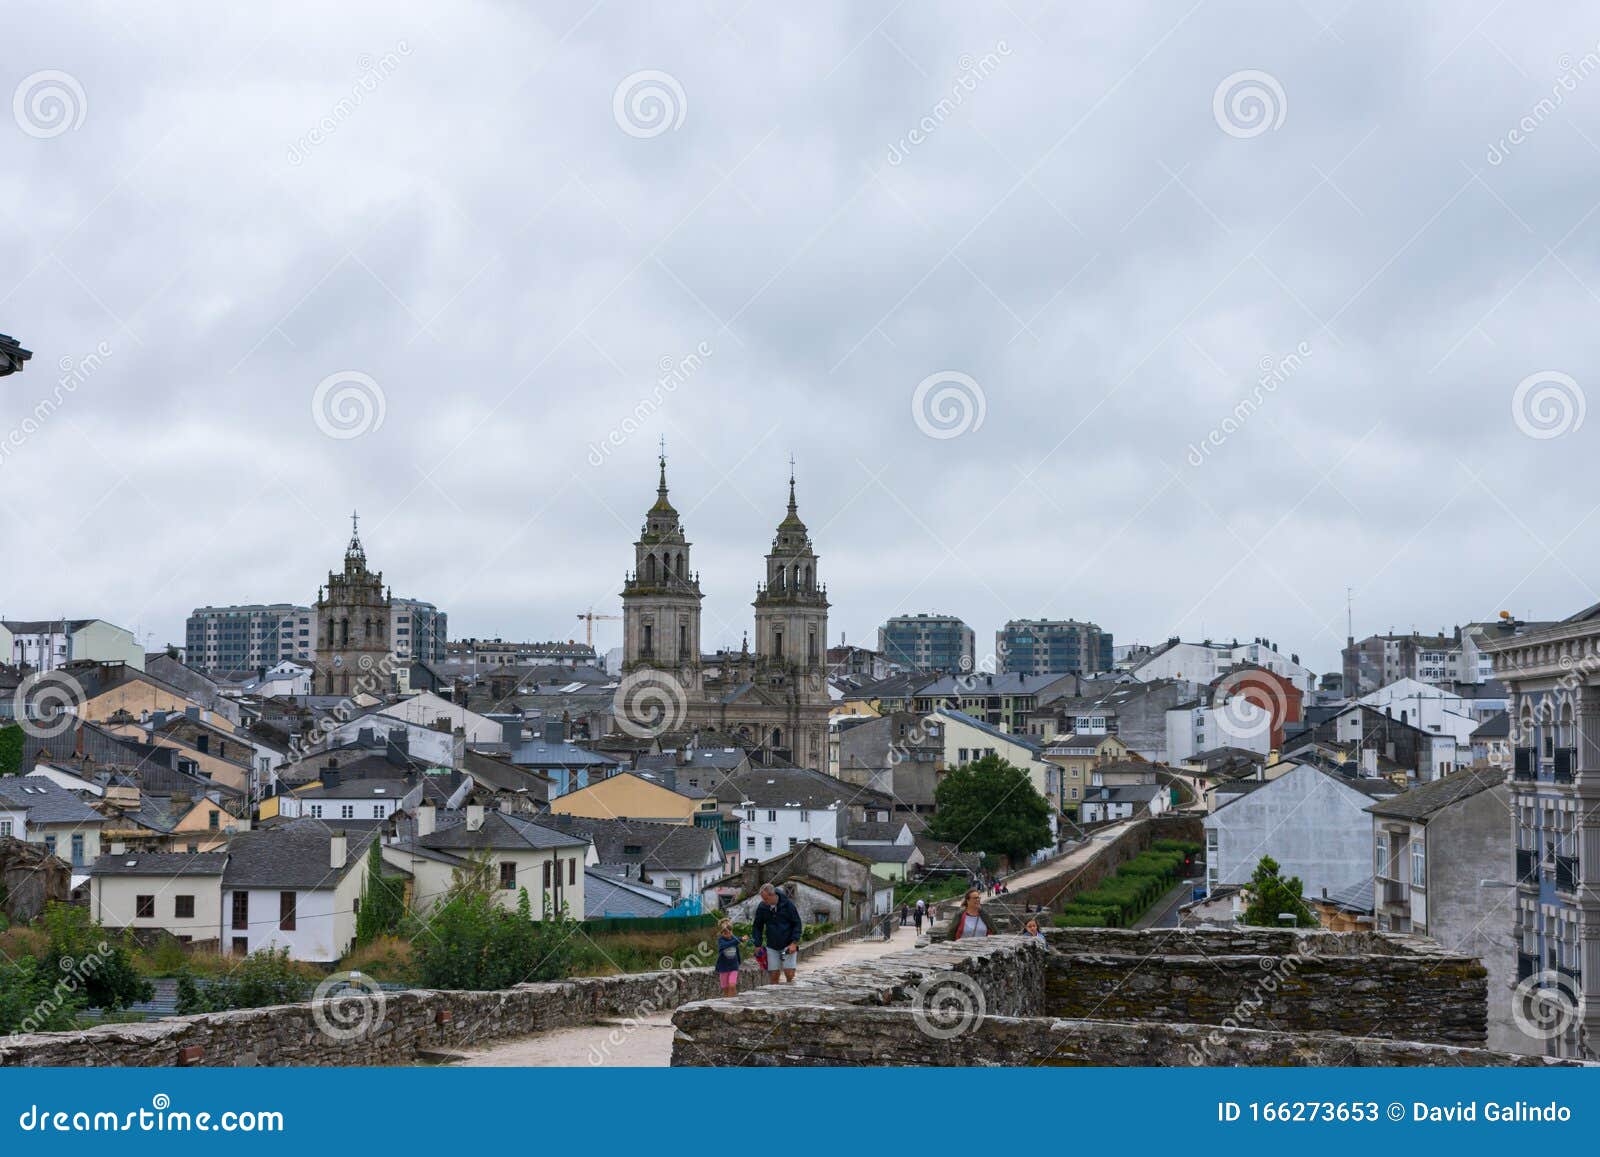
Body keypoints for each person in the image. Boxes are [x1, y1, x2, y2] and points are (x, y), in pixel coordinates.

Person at [751, 883, 801, 983]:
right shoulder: (762, 907)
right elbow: (757, 926)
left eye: (766, 899)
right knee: (773, 975)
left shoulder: (788, 905)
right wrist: (757, 944)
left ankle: (789, 995)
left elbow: (797, 923)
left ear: (773, 895)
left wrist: (794, 942)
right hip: (772, 945)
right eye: (763, 899)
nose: (764, 902)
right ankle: (775, 996)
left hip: (788, 944)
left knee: (789, 973)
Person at [715, 920, 745, 994]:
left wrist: (743, 939)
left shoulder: (735, 939)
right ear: (721, 933)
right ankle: (727, 1003)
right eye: (725, 933)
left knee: (732, 985)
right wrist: (739, 940)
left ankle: (734, 1002)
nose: (728, 935)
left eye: (729, 932)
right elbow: (725, 945)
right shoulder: (721, 941)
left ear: (732, 931)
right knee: (725, 989)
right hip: (723, 968)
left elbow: (737, 949)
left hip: (734, 967)